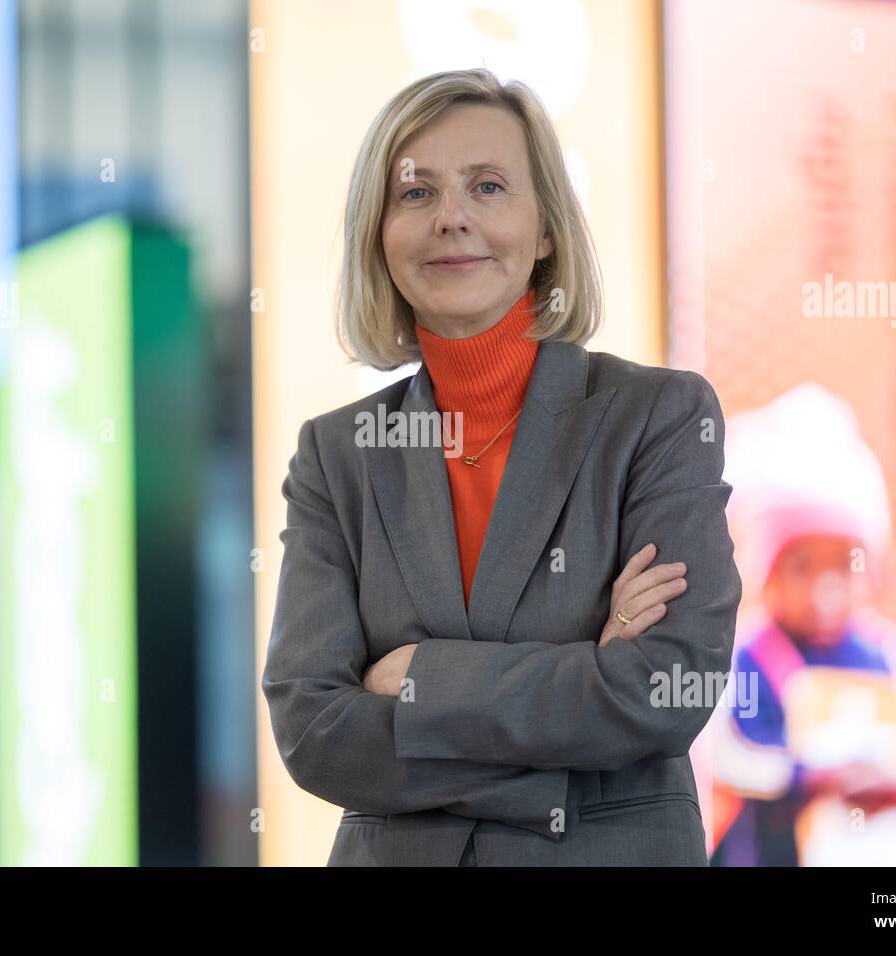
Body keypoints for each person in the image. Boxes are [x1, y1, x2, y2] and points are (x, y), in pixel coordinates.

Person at [261, 68, 741, 866]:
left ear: (545, 228)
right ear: (377, 234)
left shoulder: (658, 417)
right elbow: (314, 730)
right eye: (415, 193)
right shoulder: (334, 456)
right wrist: (584, 680)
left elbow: (664, 688)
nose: (452, 218)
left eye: (488, 187)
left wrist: (421, 681)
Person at [712, 384, 896, 866]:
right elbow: (730, 757)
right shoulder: (752, 654)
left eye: (845, 565)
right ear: (770, 574)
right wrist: (813, 775)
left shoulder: (890, 652)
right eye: (803, 567)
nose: (826, 588)